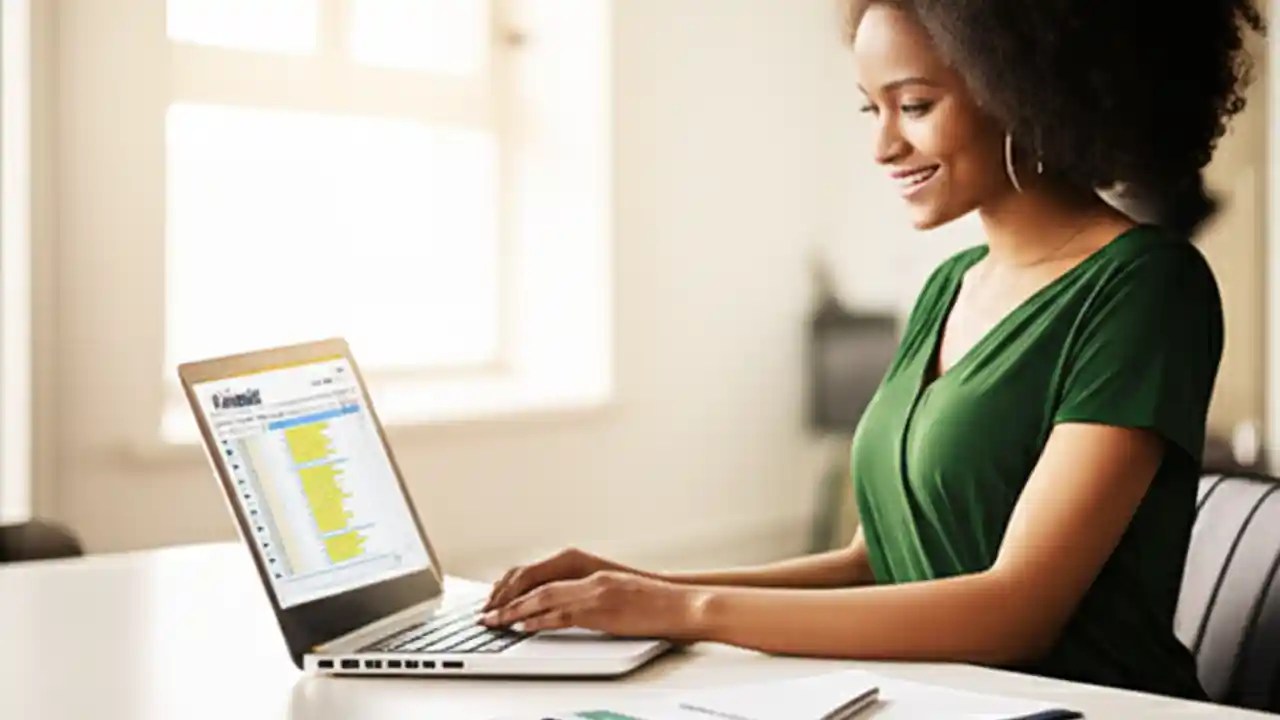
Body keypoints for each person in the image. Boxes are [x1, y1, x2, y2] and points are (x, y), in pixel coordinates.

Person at [481, 0, 1264, 699]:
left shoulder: (1145, 286)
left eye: (915, 105)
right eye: (871, 110)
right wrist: (631, 584)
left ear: (1027, 92)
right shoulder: (950, 286)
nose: (884, 146)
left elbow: (1015, 612)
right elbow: (874, 560)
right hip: (930, 699)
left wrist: (682, 609)